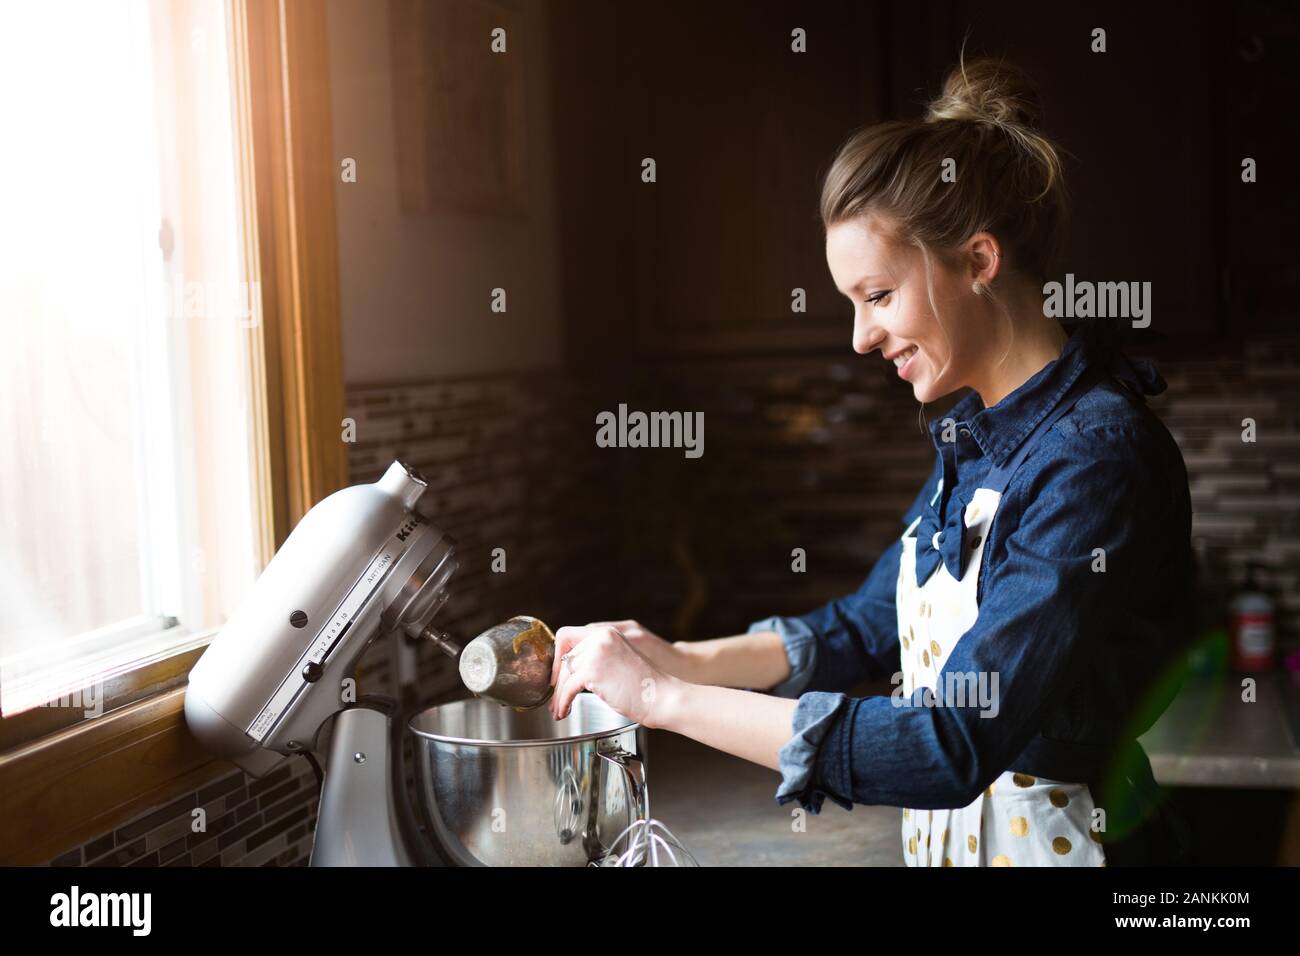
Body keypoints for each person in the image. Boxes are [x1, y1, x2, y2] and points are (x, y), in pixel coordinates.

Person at [548, 56, 1196, 866]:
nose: (859, 338)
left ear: (979, 261)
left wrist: (662, 699)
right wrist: (676, 658)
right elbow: (865, 627)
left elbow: (949, 742)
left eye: (878, 296)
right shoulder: (978, 434)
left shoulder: (1093, 459)